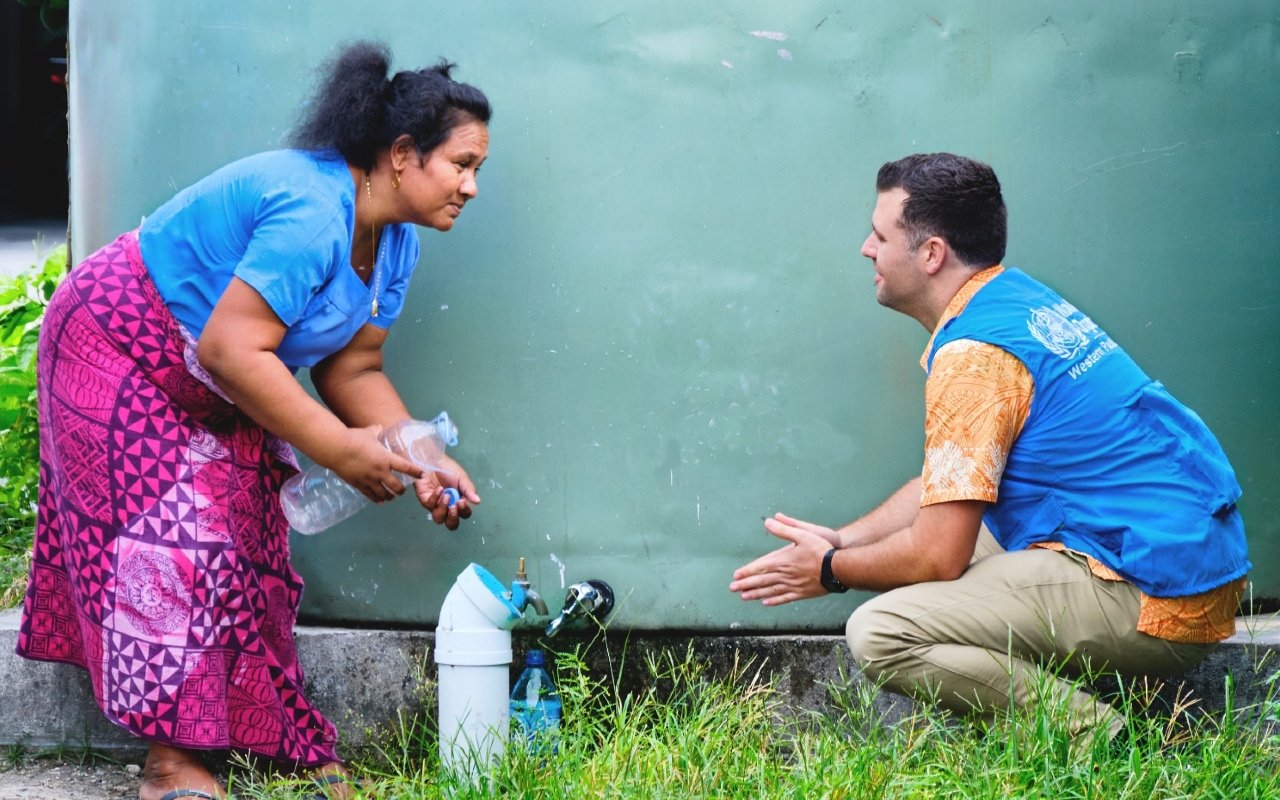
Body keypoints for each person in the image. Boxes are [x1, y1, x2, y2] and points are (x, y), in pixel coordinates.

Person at [17, 41, 489, 800]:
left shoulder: (395, 243)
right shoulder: (312, 209)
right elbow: (234, 346)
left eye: (477, 170)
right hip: (115, 345)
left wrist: (422, 454)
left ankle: (266, 738)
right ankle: (172, 765)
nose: (470, 187)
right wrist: (339, 449)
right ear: (402, 154)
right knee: (171, 544)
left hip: (210, 372)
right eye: (460, 164)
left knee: (248, 535)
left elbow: (352, 368)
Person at [730, 153, 1250, 746]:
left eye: (879, 236)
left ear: (931, 254)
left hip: (1159, 594)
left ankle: (1098, 741)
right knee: (958, 537)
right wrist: (846, 540)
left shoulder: (975, 357)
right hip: (1168, 555)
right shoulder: (1009, 299)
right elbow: (950, 482)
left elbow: (937, 557)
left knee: (881, 631)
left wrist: (829, 570)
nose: (866, 250)